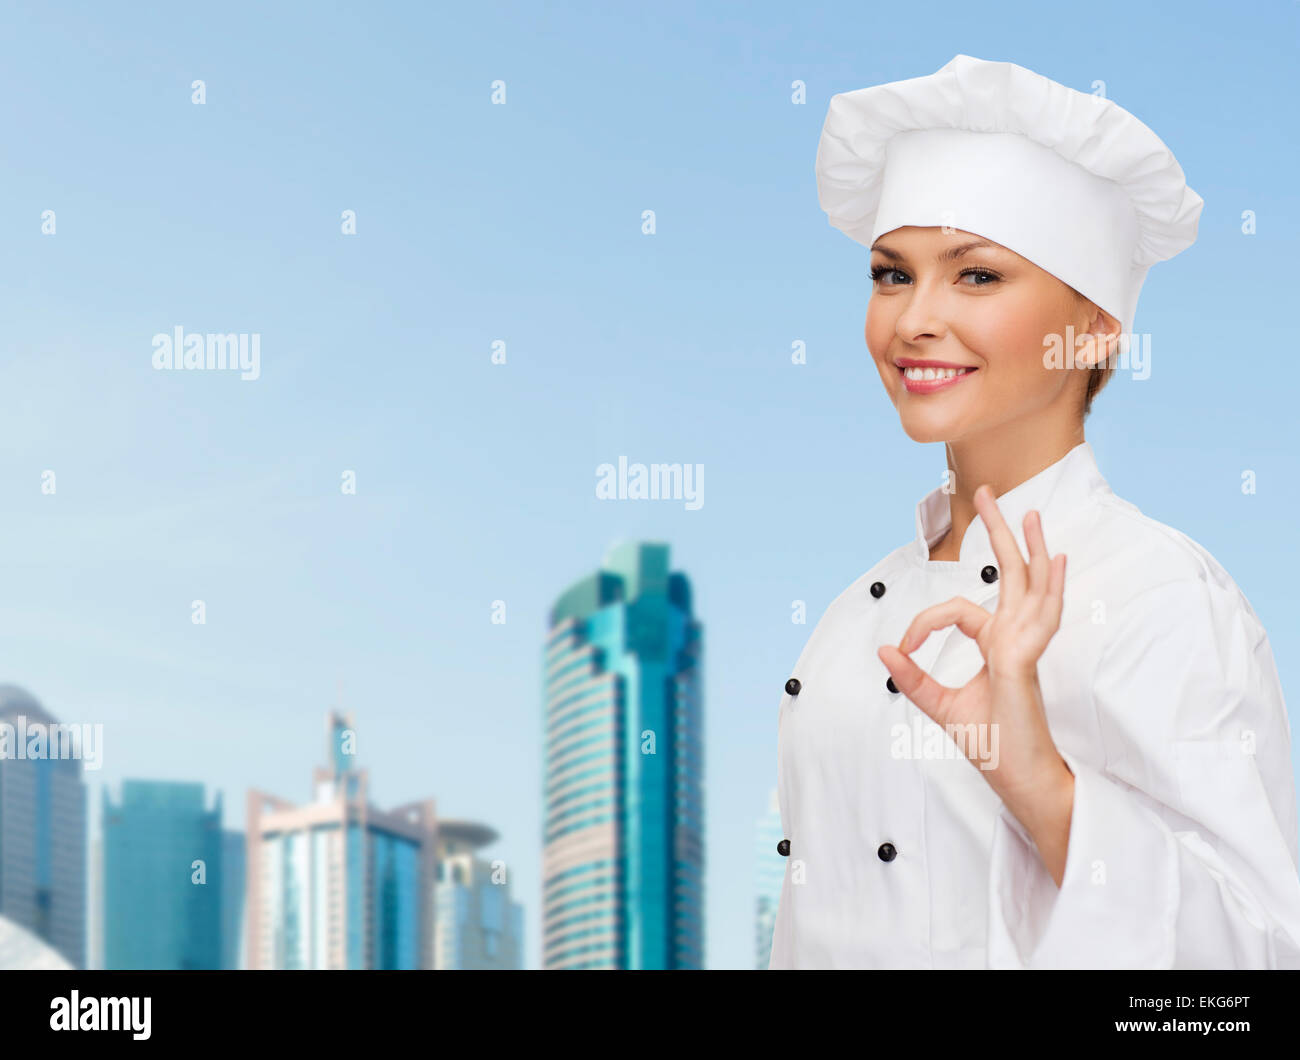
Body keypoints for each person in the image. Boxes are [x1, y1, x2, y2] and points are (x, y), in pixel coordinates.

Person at [768, 54, 1300, 969]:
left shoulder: (1156, 593)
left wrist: (1041, 787)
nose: (913, 321)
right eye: (892, 275)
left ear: (1095, 325)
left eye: (976, 277)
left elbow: (1240, 985)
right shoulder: (851, 618)